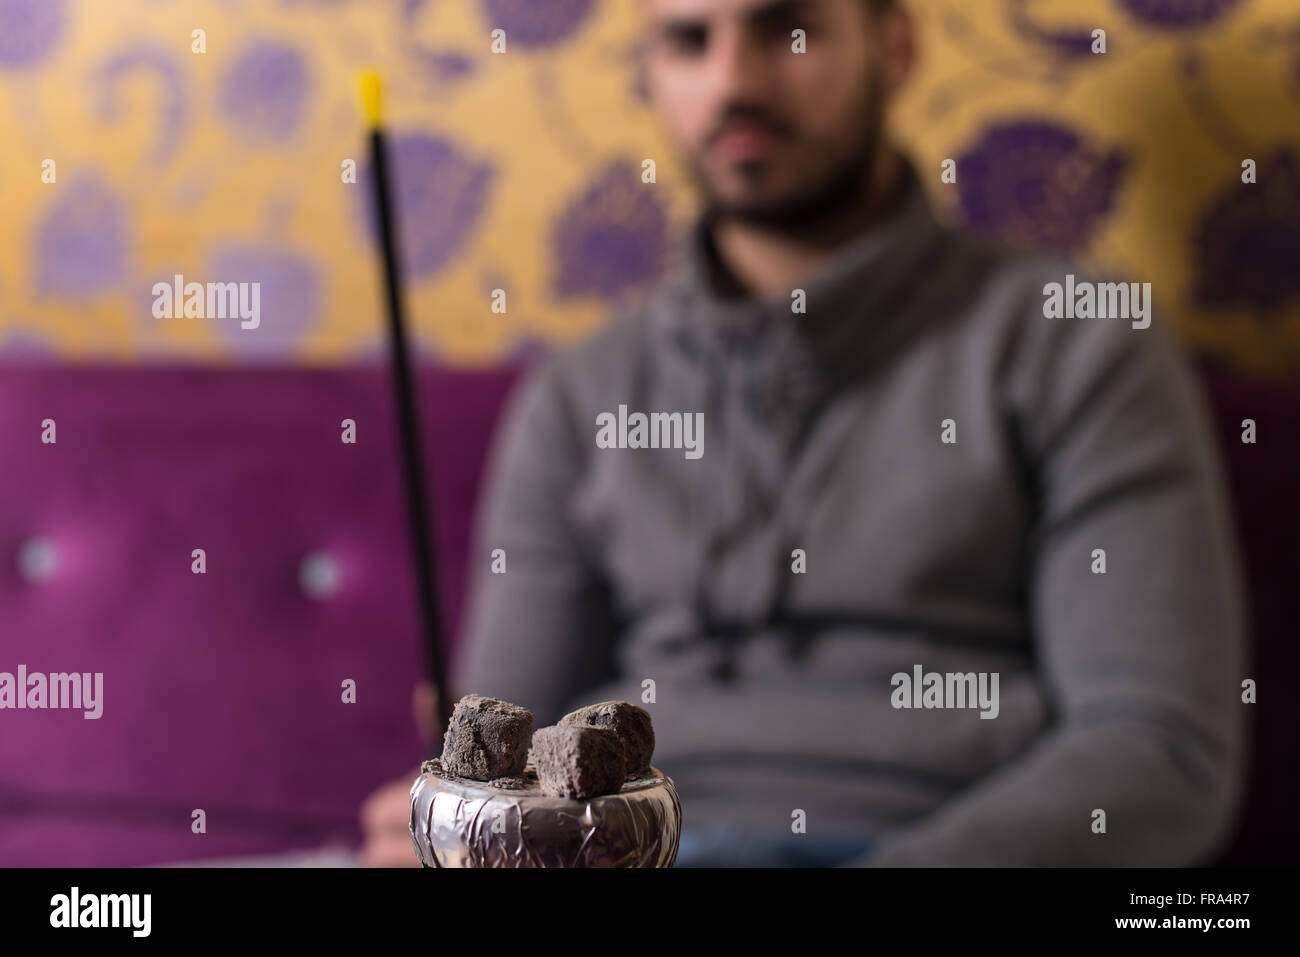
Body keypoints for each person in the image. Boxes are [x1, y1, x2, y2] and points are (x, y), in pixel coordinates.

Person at [361, 0, 1246, 867]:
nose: (734, 81)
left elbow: (1162, 753)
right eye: (688, 39)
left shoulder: (1076, 342)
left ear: (892, 49)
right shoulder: (578, 393)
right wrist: (457, 824)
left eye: (790, 29)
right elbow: (509, 748)